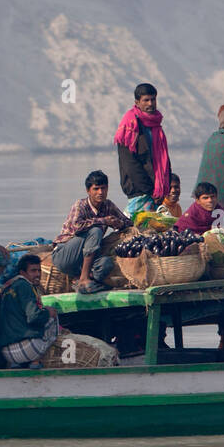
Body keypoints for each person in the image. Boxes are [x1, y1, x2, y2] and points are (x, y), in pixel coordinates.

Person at [53, 170, 128, 294]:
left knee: (107, 263)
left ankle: (80, 279)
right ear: (88, 191)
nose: (100, 192)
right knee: (96, 231)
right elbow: (77, 226)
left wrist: (119, 223)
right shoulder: (80, 205)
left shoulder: (108, 205)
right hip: (65, 255)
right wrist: (104, 221)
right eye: (96, 189)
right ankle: (84, 278)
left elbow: (127, 223)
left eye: (103, 188)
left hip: (83, 259)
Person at [0, 254, 60, 369]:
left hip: (7, 354)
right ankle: (35, 362)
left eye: (39, 270)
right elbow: (34, 317)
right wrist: (48, 312)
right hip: (29, 350)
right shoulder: (25, 286)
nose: (38, 274)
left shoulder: (6, 289)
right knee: (53, 314)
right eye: (33, 271)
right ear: (22, 273)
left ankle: (16, 364)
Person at [115, 83, 172, 212]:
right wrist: (150, 190)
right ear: (137, 102)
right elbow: (129, 164)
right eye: (146, 100)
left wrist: (164, 186)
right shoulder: (129, 127)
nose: (150, 104)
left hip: (157, 192)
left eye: (153, 99)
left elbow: (164, 159)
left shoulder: (156, 126)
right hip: (139, 192)